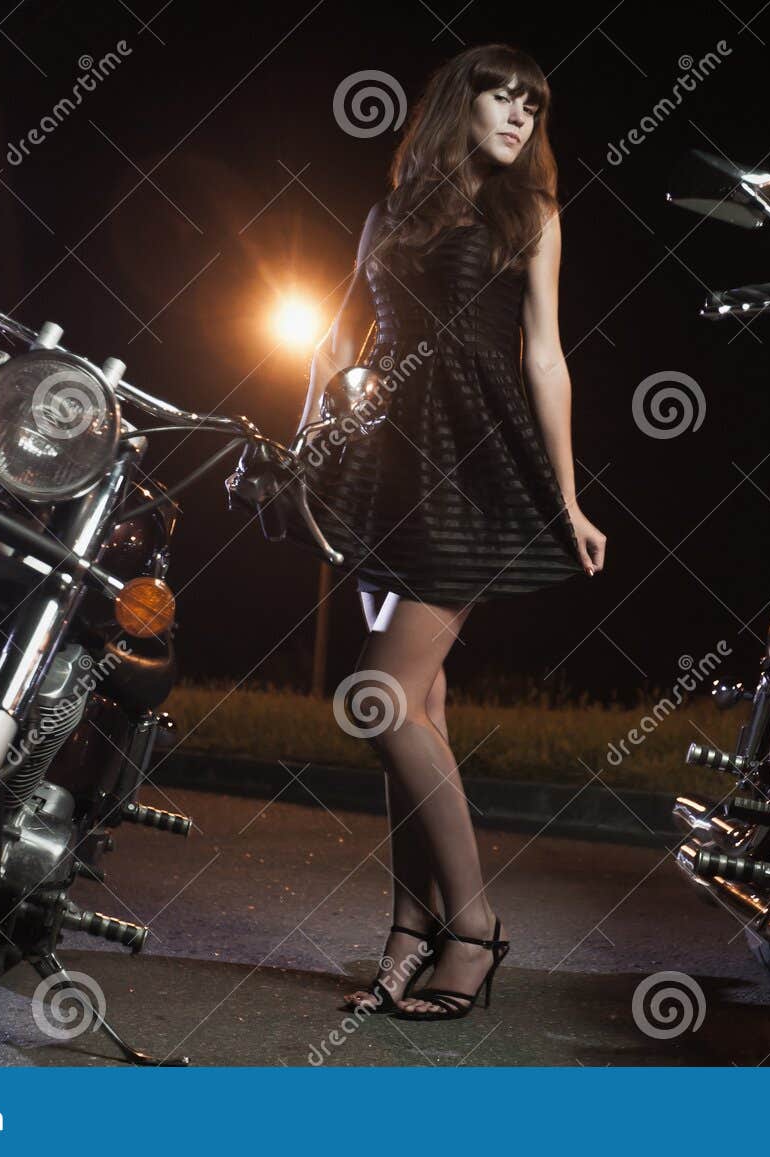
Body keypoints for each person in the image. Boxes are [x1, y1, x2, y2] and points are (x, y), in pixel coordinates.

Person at [296, 43, 606, 1020]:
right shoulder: (389, 213)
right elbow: (342, 335)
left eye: (533, 105)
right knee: (416, 709)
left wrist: (566, 494)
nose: (519, 116)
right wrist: (308, 436)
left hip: (474, 462)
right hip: (379, 466)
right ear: (455, 106)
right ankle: (405, 935)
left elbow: (546, 356)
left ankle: (473, 924)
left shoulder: (531, 215)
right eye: (501, 96)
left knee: (375, 696)